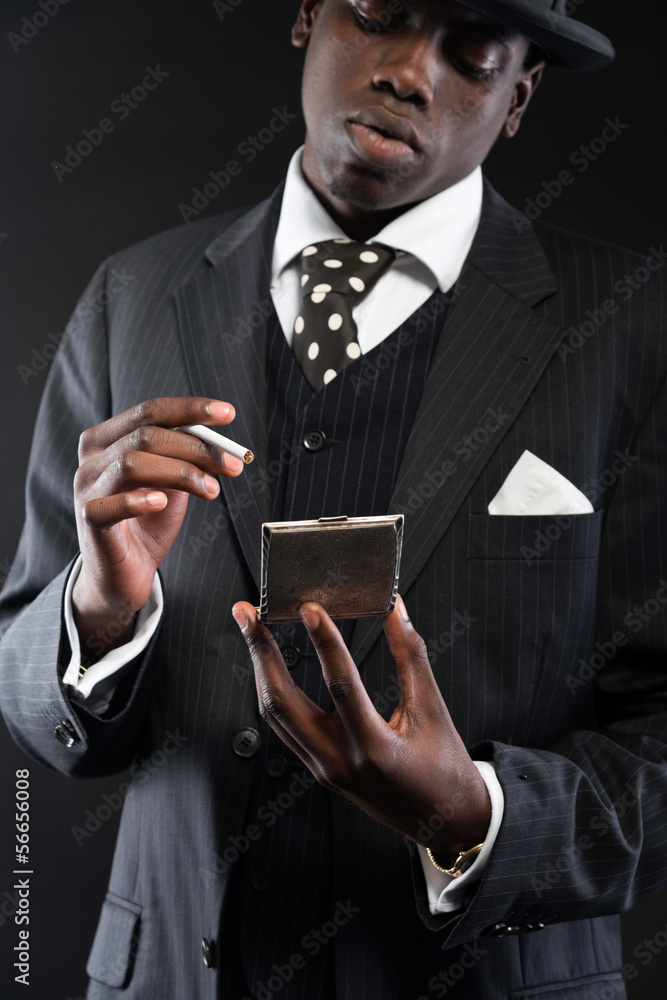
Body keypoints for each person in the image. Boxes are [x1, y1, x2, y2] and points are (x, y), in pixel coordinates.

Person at [1, 1, 665, 998]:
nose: (407, 72)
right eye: (377, 13)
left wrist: (476, 814)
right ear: (308, 14)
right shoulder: (128, 295)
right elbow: (31, 698)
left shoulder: (635, 328)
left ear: (518, 95)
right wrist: (98, 615)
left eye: (472, 52)